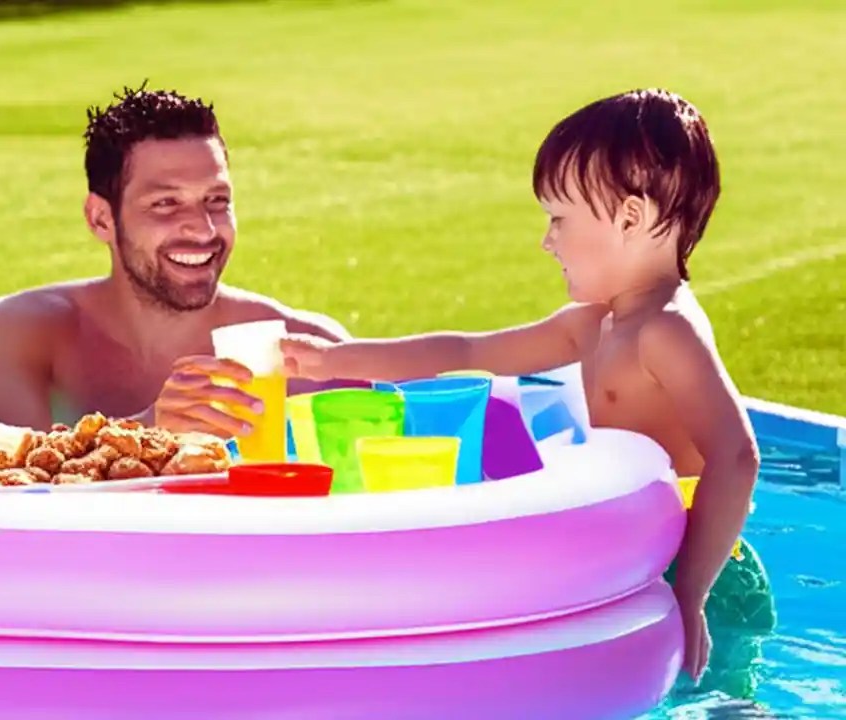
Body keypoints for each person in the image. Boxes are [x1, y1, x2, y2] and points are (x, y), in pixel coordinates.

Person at [280, 88, 762, 685]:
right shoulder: (596, 326)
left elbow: (737, 454)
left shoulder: (664, 332)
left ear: (631, 219)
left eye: (560, 218)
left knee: (713, 700)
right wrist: (330, 361)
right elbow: (466, 350)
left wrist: (691, 586)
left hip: (706, 575)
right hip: (643, 559)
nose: (547, 240)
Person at [0, 84, 348, 438]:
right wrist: (149, 430)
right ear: (101, 219)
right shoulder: (31, 333)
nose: (203, 231)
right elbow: (3, 485)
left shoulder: (308, 354)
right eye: (165, 204)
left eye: (216, 201)